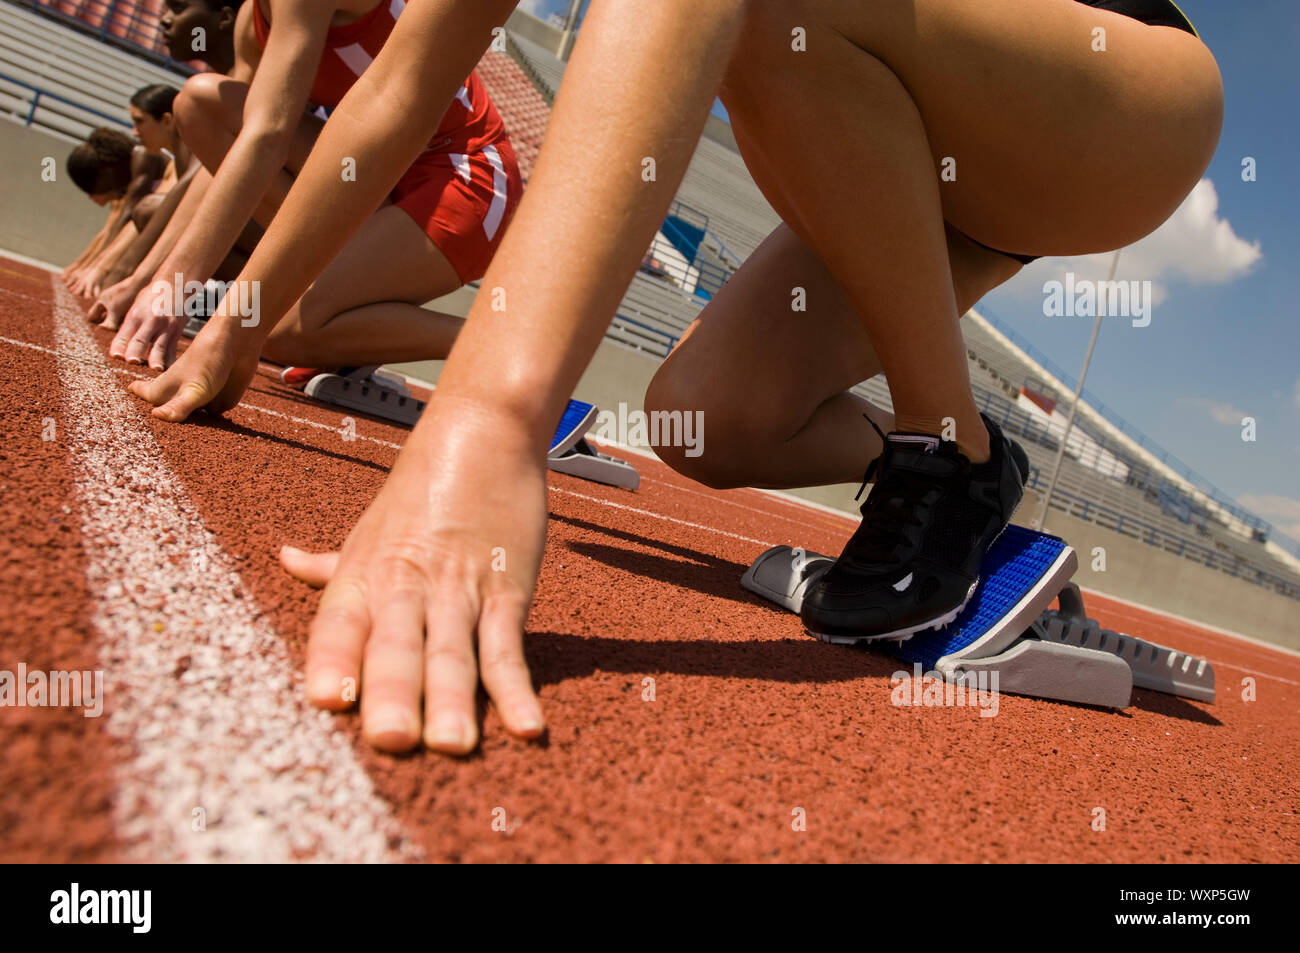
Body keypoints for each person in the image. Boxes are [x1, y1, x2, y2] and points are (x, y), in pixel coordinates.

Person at [131, 0, 1223, 754]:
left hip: (1106, 98)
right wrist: (241, 321)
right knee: (706, 422)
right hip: (915, 146)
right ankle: (971, 456)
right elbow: (397, 93)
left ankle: (949, 459)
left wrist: (485, 424)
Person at [100, 0, 520, 373]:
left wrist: (177, 287)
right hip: (380, 179)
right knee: (200, 103)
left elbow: (268, 138)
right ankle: (340, 321)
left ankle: (507, 346)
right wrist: (154, 280)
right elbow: (232, 160)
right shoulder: (252, 20)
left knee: (273, 329)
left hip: (467, 178)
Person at [62, 127, 168, 296]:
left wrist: (99, 268)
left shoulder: (143, 157)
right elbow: (109, 228)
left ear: (106, 172)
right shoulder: (128, 179)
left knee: (143, 214)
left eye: (92, 189)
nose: (92, 197)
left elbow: (127, 217)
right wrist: (83, 264)